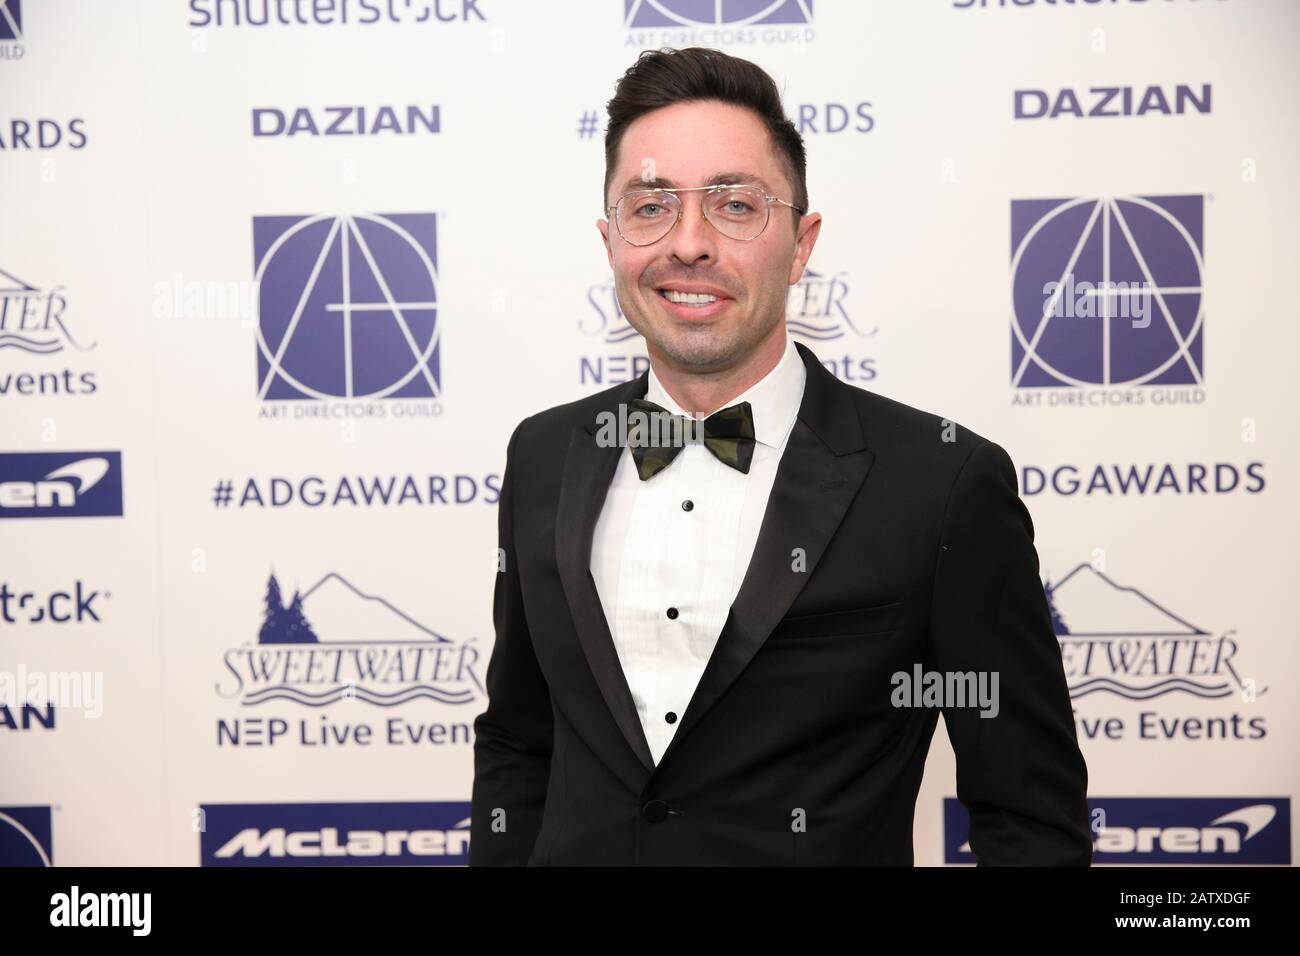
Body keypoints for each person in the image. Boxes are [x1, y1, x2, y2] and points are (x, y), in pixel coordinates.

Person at [470, 46, 1090, 866]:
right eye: (650, 206)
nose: (687, 244)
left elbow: (1030, 816)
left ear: (801, 245)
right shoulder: (543, 454)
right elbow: (520, 741)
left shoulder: (941, 486)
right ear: (611, 239)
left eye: (734, 205)